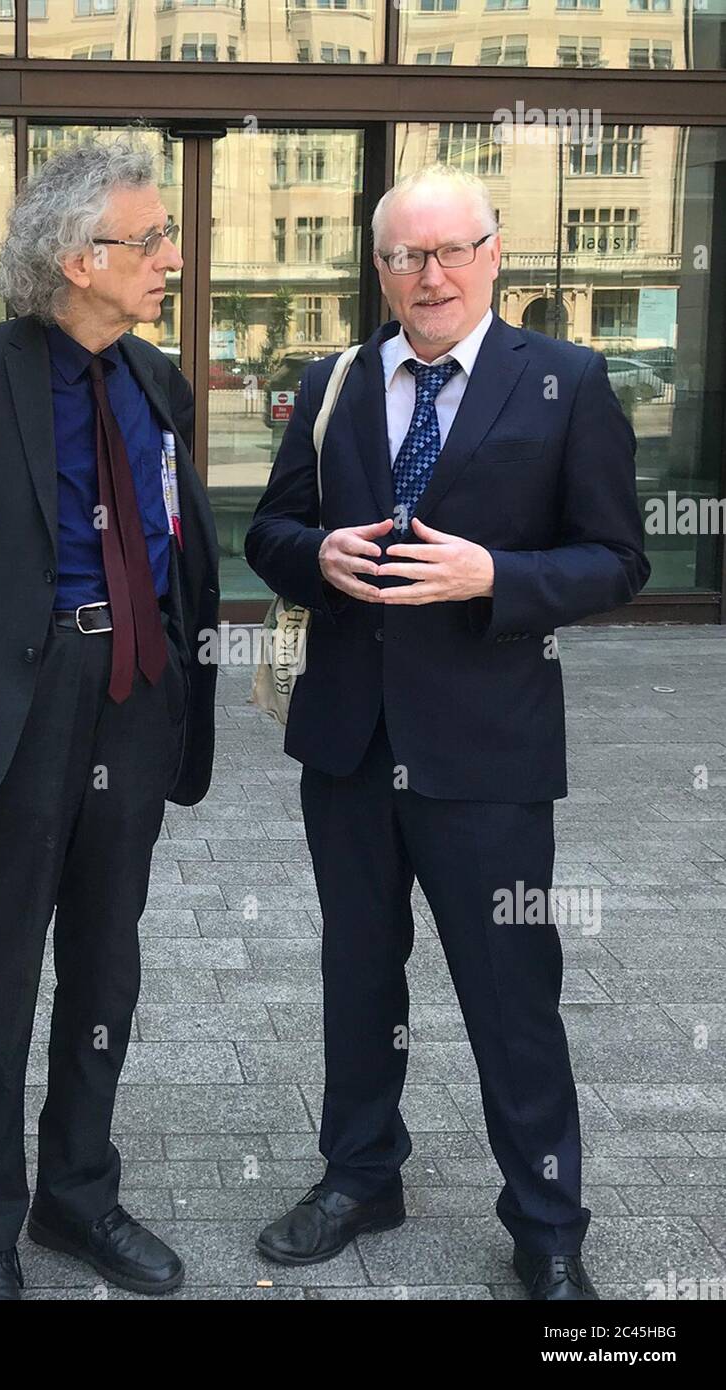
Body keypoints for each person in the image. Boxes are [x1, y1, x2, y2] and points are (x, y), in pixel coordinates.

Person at [244, 163, 649, 1301]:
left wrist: (494, 575)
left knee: (508, 987)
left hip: (487, 752)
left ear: (492, 251)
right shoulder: (331, 381)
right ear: (377, 270)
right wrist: (310, 556)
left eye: (449, 250)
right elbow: (271, 526)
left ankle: (547, 1220)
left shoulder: (565, 380)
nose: (428, 274)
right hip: (350, 743)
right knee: (357, 974)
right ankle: (360, 1174)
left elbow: (618, 559)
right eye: (403, 257)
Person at [0, 138, 220, 1300]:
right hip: (21, 710)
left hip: (133, 695)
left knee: (106, 960)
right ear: (80, 260)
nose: (171, 257)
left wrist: (176, 669)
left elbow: (180, 545)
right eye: (152, 239)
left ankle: (77, 1196)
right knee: (4, 965)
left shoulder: (156, 380)